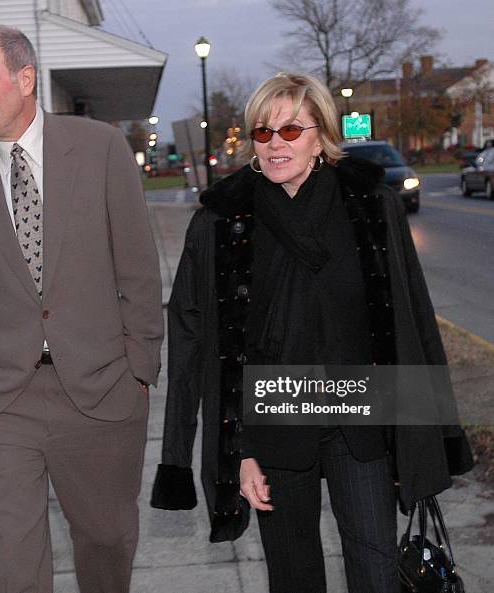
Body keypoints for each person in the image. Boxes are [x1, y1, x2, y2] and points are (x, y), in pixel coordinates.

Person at [151, 72, 472, 593]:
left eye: (291, 131)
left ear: (321, 136)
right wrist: (239, 452)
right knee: (293, 575)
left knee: (376, 570)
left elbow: (409, 315)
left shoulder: (370, 207)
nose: (276, 144)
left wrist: (428, 433)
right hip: (274, 414)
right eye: (263, 133)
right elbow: (196, 341)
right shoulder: (223, 221)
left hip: (359, 412)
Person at [0, 25, 163, 593]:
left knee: (106, 544)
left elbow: (138, 270)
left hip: (101, 392)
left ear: (25, 79)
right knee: (13, 568)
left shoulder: (101, 149)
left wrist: (139, 371)